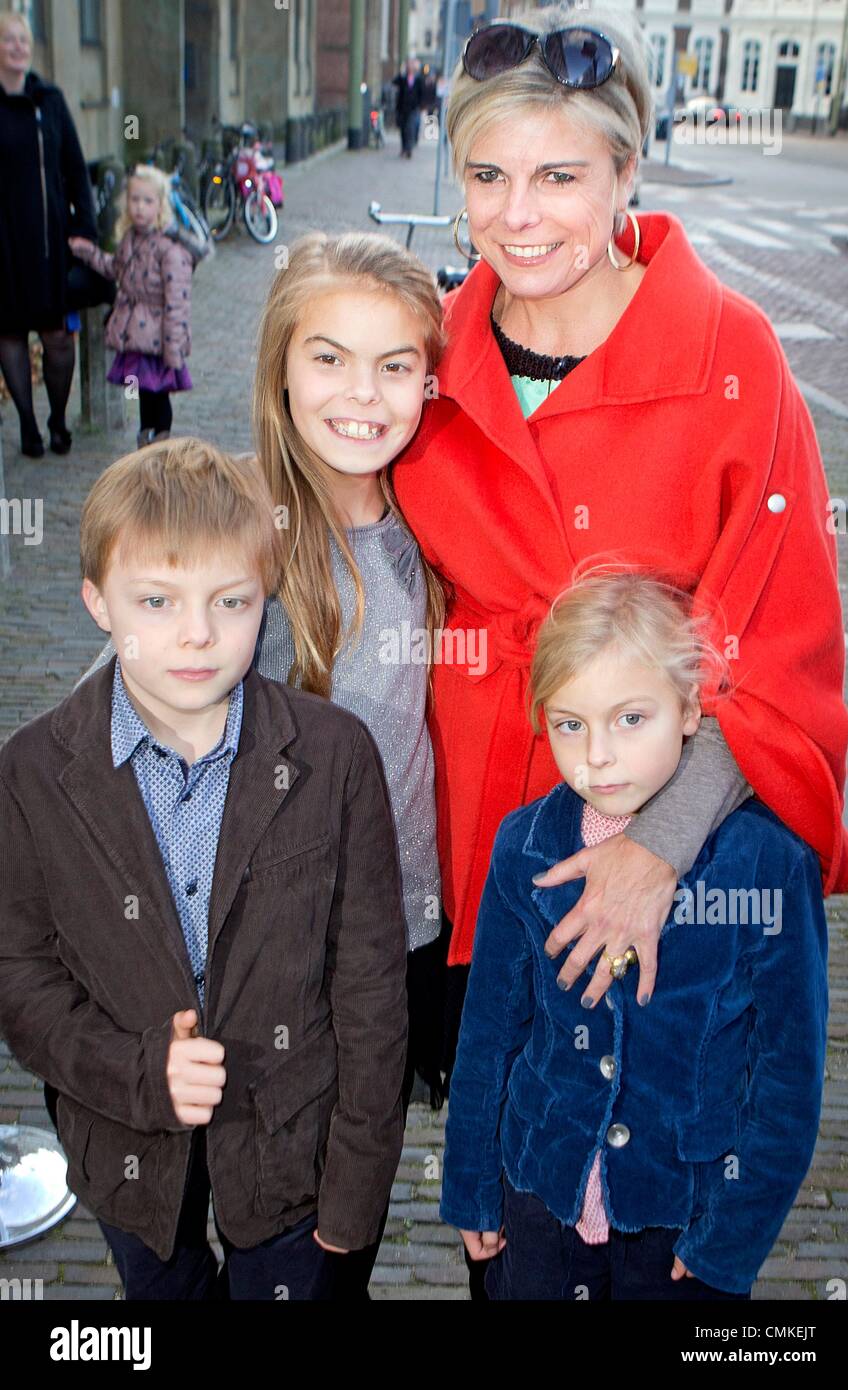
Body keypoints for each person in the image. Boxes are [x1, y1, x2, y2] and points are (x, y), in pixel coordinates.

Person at [390, 5, 848, 1089]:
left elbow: (781, 647)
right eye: (485, 177)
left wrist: (658, 846)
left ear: (624, 170)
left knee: (650, 1193)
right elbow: (316, 561)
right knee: (500, 1193)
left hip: (669, 848)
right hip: (470, 851)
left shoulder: (726, 354)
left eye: (560, 176)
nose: (517, 217)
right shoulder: (424, 353)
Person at [78, 229, 449, 1296]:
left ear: (428, 378)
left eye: (393, 366)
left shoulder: (441, 527)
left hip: (380, 955)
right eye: (326, 357)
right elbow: (97, 739)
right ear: (279, 365)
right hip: (218, 962)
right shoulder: (227, 526)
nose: (360, 396)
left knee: (326, 1239)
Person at [0, 437, 409, 1300]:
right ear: (96, 603)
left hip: (295, 1166)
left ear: (268, 598)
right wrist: (137, 1072)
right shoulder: (31, 774)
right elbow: (20, 979)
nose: (196, 634)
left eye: (231, 601)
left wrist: (358, 1193)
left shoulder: (335, 757)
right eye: (156, 600)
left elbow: (371, 991)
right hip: (127, 1156)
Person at [440, 569, 828, 1300]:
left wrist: (730, 1243)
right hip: (540, 1204)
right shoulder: (522, 846)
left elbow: (788, 1076)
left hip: (680, 1222)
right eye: (570, 724)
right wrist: (470, 1188)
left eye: (630, 719)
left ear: (689, 711)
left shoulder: (769, 866)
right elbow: (489, 1032)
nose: (598, 755)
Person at [0, 10, 98, 457]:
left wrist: (86, 230)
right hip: (4, 246)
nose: (19, 46)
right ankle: (27, 424)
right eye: (8, 40)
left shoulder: (51, 101)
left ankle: (58, 420)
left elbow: (76, 170)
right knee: (11, 335)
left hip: (49, 246)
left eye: (23, 39)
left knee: (58, 336)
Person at [69, 164, 194, 447]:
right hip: (136, 337)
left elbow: (178, 302)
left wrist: (173, 347)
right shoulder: (129, 239)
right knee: (142, 394)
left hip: (159, 339)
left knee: (159, 394)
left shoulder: (170, 248)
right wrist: (87, 252)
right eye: (134, 200)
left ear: (160, 205)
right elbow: (114, 269)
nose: (139, 208)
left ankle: (160, 447)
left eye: (147, 201)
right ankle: (145, 443)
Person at [392, 57, 424, 158]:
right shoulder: (402, 78)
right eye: (408, 65)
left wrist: (420, 105)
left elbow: (421, 92)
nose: (410, 67)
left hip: (413, 108)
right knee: (403, 129)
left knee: (410, 128)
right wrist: (401, 72)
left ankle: (409, 149)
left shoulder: (418, 78)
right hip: (402, 108)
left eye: (411, 65)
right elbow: (394, 82)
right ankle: (404, 147)